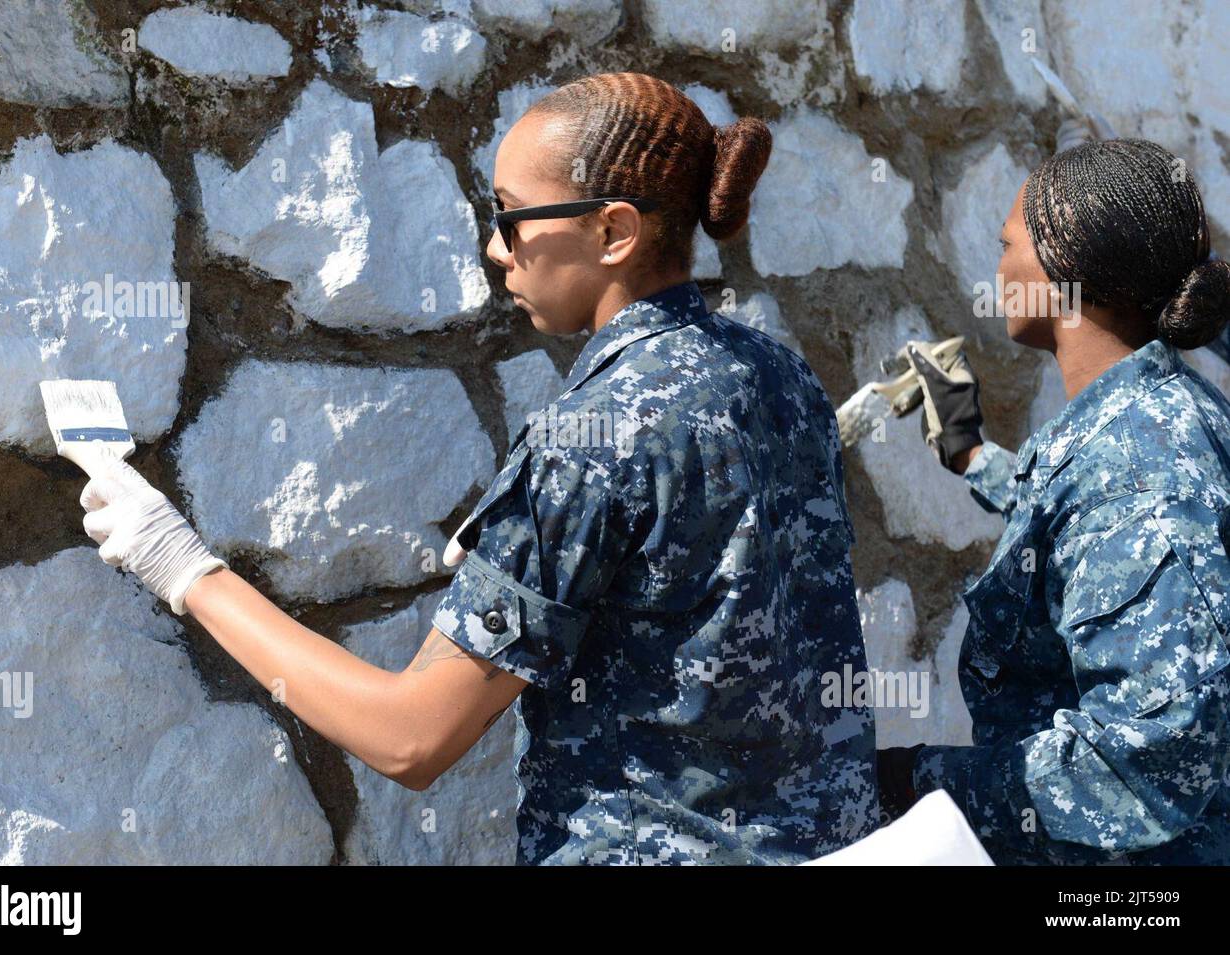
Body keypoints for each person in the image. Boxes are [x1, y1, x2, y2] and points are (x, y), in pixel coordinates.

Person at [78, 72, 877, 865]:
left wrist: (181, 565)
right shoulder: (780, 373)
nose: (496, 248)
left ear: (613, 232)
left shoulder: (594, 434)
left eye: (512, 216)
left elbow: (411, 736)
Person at [878, 138, 1230, 864]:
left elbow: (1148, 762)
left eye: (1007, 245)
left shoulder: (1145, 463)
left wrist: (920, 783)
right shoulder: (1144, 419)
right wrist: (971, 452)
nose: (998, 268)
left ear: (1062, 265)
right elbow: (1083, 533)